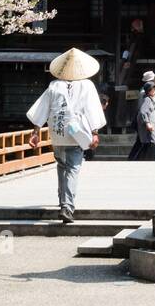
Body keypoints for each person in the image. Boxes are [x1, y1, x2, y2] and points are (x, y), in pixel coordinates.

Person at [26, 48, 106, 224]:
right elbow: (92, 109)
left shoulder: (54, 85)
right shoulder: (87, 85)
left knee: (62, 166)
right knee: (72, 169)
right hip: (76, 134)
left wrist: (35, 132)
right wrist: (94, 133)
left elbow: (41, 109)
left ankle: (63, 200)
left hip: (58, 132)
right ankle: (67, 207)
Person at [127, 71, 155, 160]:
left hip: (143, 119)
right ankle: (134, 158)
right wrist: (147, 122)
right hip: (144, 120)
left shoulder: (144, 90)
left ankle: (133, 158)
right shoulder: (145, 92)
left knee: (140, 140)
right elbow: (143, 109)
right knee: (143, 140)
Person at [134, 81, 155, 161]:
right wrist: (147, 123)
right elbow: (143, 111)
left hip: (153, 127)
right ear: (149, 91)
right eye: (154, 88)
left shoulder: (154, 98)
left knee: (151, 144)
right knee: (151, 144)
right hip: (149, 128)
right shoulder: (147, 99)